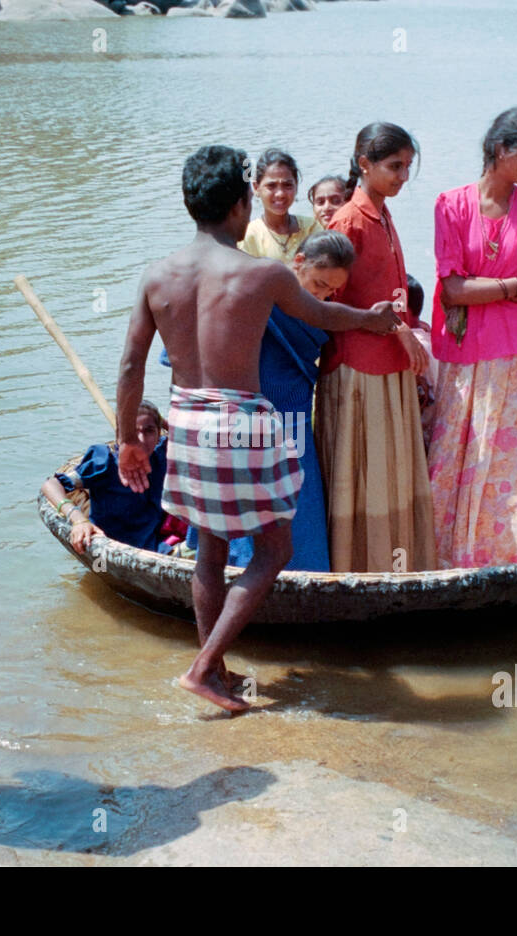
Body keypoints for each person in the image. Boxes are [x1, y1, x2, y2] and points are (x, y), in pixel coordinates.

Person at [114, 145, 397, 712]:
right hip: (240, 419)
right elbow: (323, 315)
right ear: (241, 205)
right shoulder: (261, 273)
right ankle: (202, 668)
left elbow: (130, 366)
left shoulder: (156, 275)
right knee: (275, 548)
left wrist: (126, 440)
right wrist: (372, 320)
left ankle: (215, 670)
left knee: (211, 547)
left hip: (186, 417)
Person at [426, 105, 517, 570]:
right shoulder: (452, 205)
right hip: (467, 356)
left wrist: (486, 289)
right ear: (499, 149)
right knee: (465, 451)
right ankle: (452, 555)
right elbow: (453, 290)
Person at [178, 230, 360, 572]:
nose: (322, 296)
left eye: (330, 292)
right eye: (319, 284)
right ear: (299, 262)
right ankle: (242, 570)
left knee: (298, 501)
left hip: (293, 409)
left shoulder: (314, 310)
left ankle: (305, 572)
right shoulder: (258, 291)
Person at [317, 122, 435, 573]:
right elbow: (325, 302)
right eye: (394, 166)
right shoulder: (349, 221)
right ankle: (358, 566)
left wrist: (402, 332)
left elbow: (390, 293)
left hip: (388, 363)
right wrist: (397, 329)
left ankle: (394, 564)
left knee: (388, 471)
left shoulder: (381, 214)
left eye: (407, 167)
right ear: (364, 164)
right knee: (366, 472)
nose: (402, 176)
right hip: (356, 367)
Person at [39, 400, 174, 554]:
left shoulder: (161, 454)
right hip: (116, 544)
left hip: (156, 541)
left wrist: (157, 418)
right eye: (133, 431)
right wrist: (78, 519)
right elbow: (51, 485)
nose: (141, 440)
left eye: (149, 431)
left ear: (158, 434)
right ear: (120, 435)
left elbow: (190, 436)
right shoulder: (104, 463)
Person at [238, 148, 322, 262]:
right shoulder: (249, 236)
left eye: (287, 185)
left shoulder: (311, 228)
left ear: (296, 186)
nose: (280, 194)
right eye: (271, 186)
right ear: (256, 187)